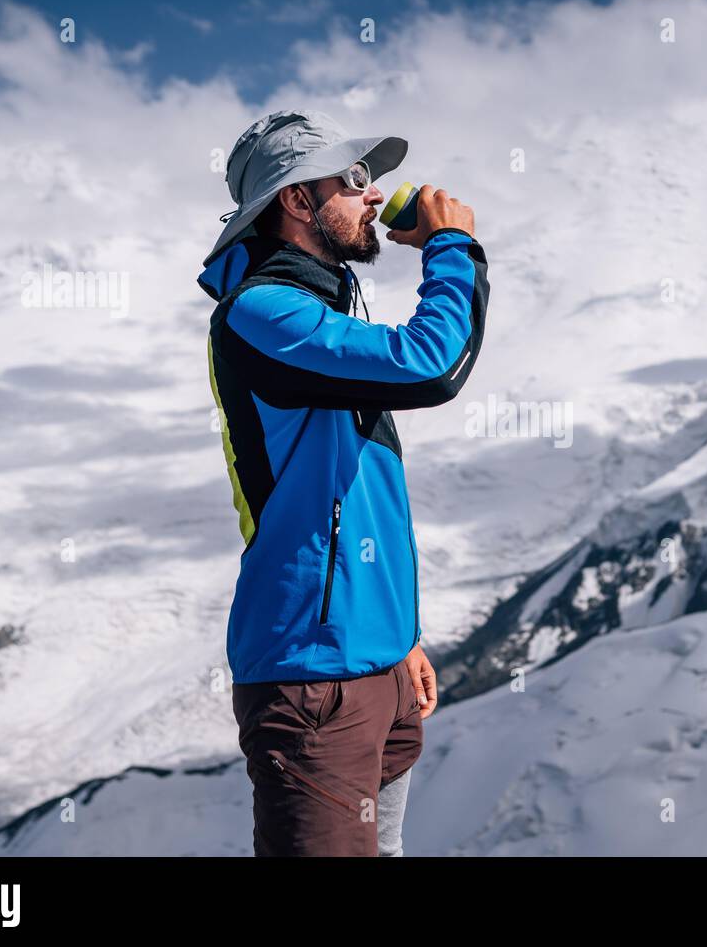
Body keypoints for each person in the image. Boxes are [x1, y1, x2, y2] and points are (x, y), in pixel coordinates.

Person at [197, 110, 489, 856]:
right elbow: (433, 362)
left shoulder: (324, 315)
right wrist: (453, 248)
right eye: (353, 178)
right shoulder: (263, 314)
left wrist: (398, 637)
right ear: (295, 200)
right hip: (311, 680)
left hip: (376, 667)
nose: (374, 193)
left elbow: (358, 496)